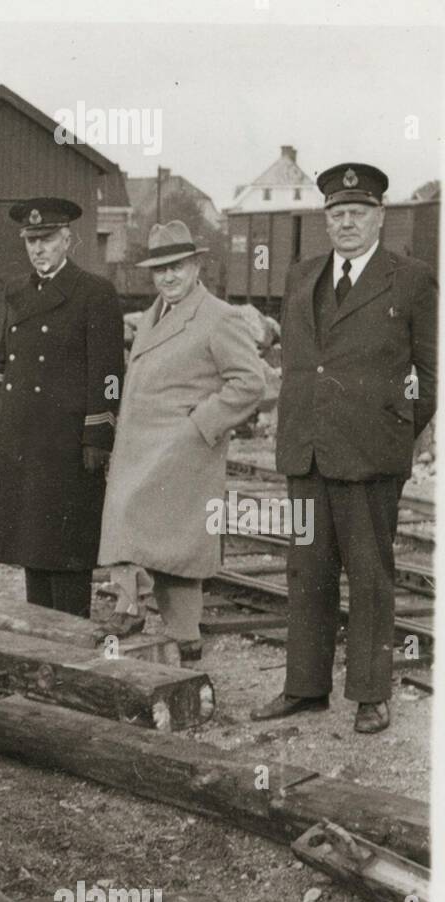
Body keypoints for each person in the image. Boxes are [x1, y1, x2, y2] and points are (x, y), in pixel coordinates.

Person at [253, 163, 437, 734]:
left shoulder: (411, 279)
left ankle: (370, 695)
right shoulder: (302, 275)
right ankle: (305, 687)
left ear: (380, 216)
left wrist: (394, 431)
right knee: (306, 571)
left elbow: (429, 376)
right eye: (337, 213)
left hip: (370, 458)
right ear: (325, 219)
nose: (347, 223)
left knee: (369, 576)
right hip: (307, 452)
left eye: (358, 212)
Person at [97, 221, 265, 661]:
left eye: (177, 267)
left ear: (196, 267)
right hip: (141, 448)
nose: (168, 277)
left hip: (183, 451)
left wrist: (201, 424)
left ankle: (184, 633)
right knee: (133, 524)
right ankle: (131, 607)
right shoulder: (154, 315)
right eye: (160, 270)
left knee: (176, 545)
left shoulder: (218, 317)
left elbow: (251, 382)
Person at [0, 198, 124, 618]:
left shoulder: (93, 292)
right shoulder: (17, 291)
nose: (38, 249)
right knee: (31, 545)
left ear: (67, 239)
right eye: (31, 241)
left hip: (68, 445)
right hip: (23, 440)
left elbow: (109, 373)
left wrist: (98, 433)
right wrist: (2, 398)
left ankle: (71, 640)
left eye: (46, 239)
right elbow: (0, 359)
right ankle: (41, 639)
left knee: (67, 551)